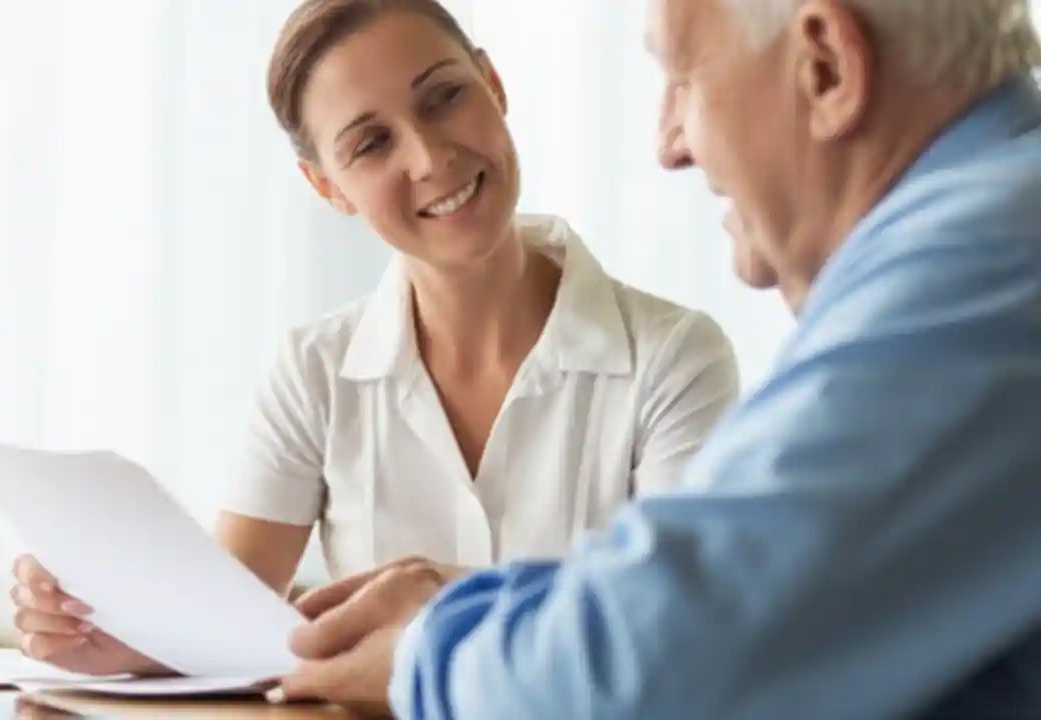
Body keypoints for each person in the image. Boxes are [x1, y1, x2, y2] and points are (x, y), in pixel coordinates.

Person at [269, 0, 1041, 717]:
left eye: (685, 78)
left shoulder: (989, 264)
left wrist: (422, 654)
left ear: (827, 68)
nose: (668, 144)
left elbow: (662, 664)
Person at [7, 0, 740, 676]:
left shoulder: (675, 357)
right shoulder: (314, 372)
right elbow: (222, 623)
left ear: (494, 85)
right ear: (327, 187)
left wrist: (442, 600)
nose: (429, 158)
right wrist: (95, 624)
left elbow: (675, 631)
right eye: (369, 144)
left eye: (444, 96)